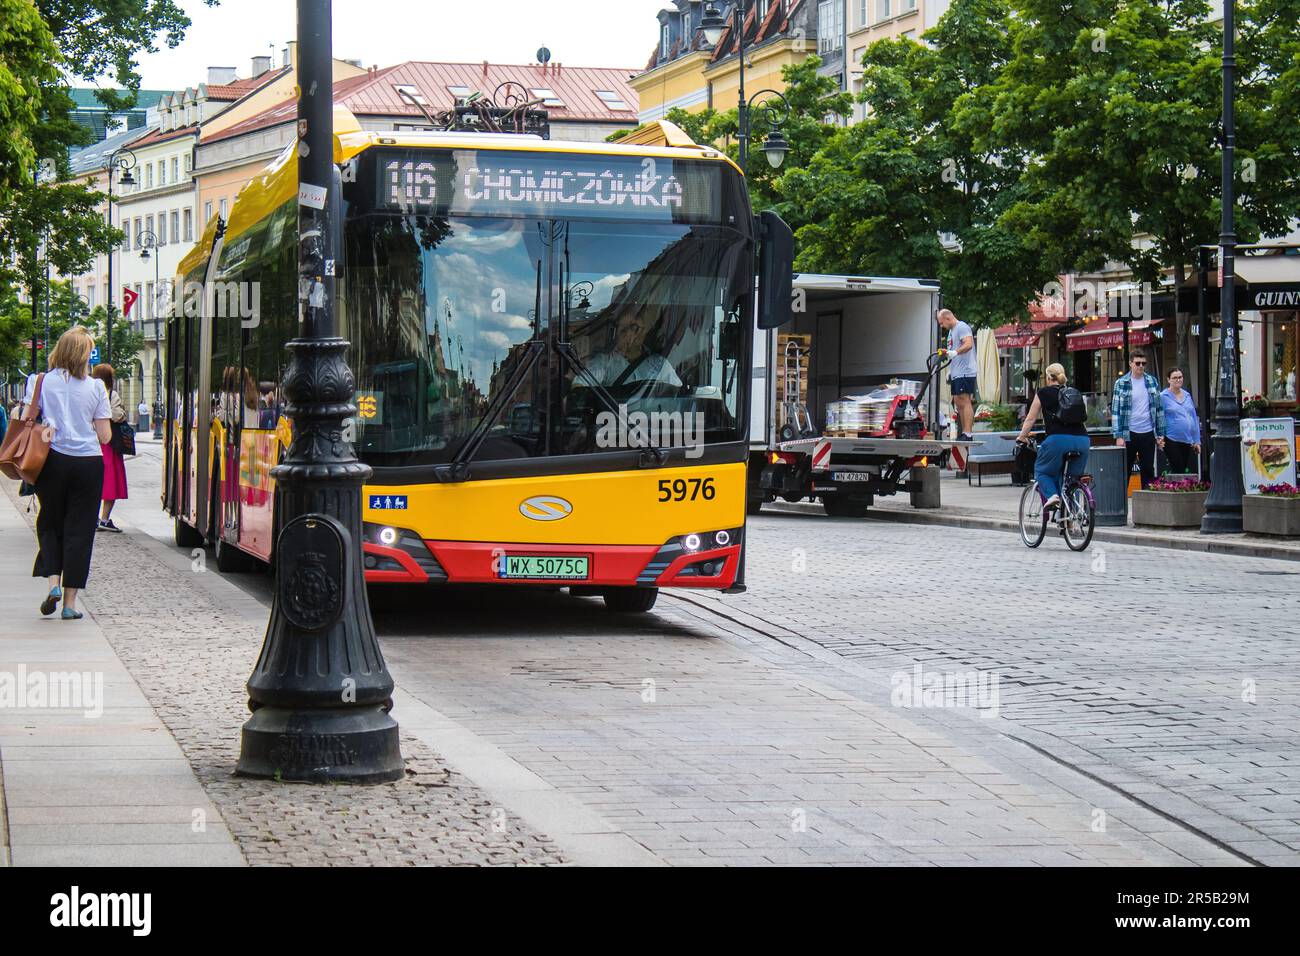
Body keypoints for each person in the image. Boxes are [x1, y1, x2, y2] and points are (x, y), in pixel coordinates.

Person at [23, 327, 112, 620]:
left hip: (53, 460)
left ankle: (53, 584)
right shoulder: (97, 387)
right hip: (88, 464)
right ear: (84, 354)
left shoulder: (40, 382)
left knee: (50, 522)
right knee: (80, 530)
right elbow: (105, 435)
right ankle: (70, 605)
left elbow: (27, 418)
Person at [1015, 363, 1090, 512]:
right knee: (1072, 481)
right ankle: (1070, 519)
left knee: (1042, 471)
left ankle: (1052, 496)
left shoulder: (1043, 393)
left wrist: (1021, 437)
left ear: (1049, 377)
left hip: (1058, 440)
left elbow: (1030, 419)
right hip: (1083, 440)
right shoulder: (1074, 392)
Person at [580, 305, 682, 396]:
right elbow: (580, 386)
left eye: (635, 328)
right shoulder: (605, 361)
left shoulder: (659, 363)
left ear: (645, 331)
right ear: (617, 334)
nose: (630, 334)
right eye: (624, 330)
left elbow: (678, 394)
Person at [1111, 349, 1166, 490]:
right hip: (1128, 432)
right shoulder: (1121, 382)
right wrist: (1118, 436)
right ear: (1130, 363)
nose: (1141, 366)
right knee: (1125, 469)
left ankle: (1147, 501)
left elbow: (1159, 409)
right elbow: (1116, 410)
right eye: (1138, 363)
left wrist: (1160, 434)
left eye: (1143, 363)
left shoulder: (1152, 381)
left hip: (1148, 431)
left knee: (1148, 468)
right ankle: (1121, 504)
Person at [90, 363, 128, 533]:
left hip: (91, 443)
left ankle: (94, 518)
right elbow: (118, 415)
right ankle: (104, 519)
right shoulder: (111, 394)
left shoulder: (88, 392)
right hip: (109, 444)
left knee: (93, 483)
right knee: (111, 482)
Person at [937, 308, 977, 441]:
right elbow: (955, 349)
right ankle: (964, 432)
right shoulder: (952, 332)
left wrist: (955, 352)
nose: (941, 326)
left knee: (964, 400)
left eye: (942, 323)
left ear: (948, 318)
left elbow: (969, 344)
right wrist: (949, 356)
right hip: (957, 371)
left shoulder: (962, 327)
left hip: (965, 371)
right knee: (958, 402)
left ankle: (968, 433)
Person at [1160, 367, 1201, 476]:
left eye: (1180, 377)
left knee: (1183, 468)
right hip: (1171, 438)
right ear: (1168, 380)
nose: (1178, 380)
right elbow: (1158, 417)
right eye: (1174, 378)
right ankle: (1177, 490)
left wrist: (1196, 441)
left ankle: (1180, 489)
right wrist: (1159, 437)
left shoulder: (1187, 395)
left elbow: (1193, 417)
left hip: (1187, 439)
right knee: (1177, 467)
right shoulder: (1163, 397)